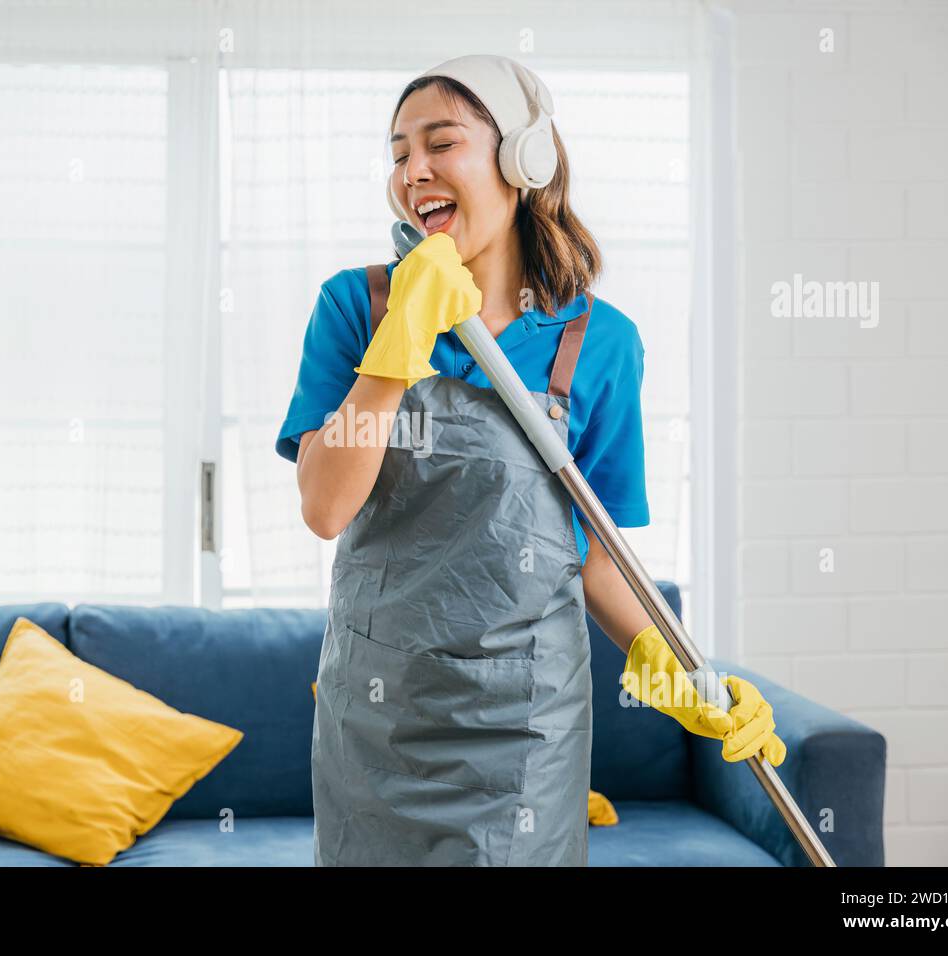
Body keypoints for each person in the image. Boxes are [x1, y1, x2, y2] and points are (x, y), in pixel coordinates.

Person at [275, 54, 785, 866]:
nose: (415, 171)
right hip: (377, 721)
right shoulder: (358, 305)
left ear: (524, 162)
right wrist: (396, 346)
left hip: (526, 728)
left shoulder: (601, 342)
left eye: (441, 144)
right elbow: (325, 508)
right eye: (399, 152)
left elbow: (597, 556)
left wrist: (676, 669)